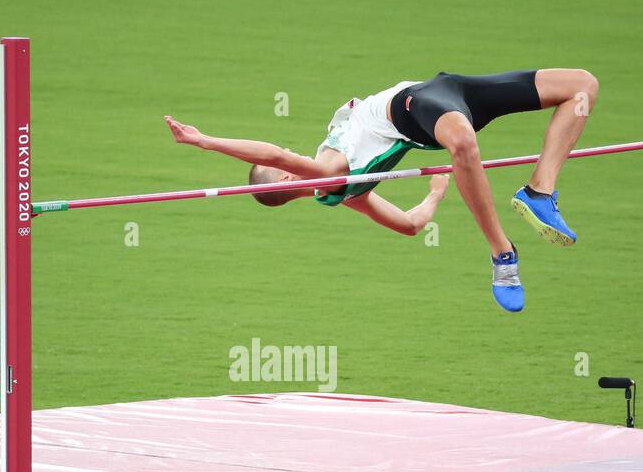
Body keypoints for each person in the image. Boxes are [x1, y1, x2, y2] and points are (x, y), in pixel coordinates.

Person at [165, 69, 598, 313]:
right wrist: (204, 140)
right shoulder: (326, 179)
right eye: (282, 165)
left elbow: (410, 225)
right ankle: (503, 255)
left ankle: (540, 191)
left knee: (581, 86)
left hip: (447, 90)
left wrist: (434, 194)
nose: (289, 155)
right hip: (414, 110)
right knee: (463, 144)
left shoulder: (340, 190)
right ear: (282, 180)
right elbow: (273, 152)